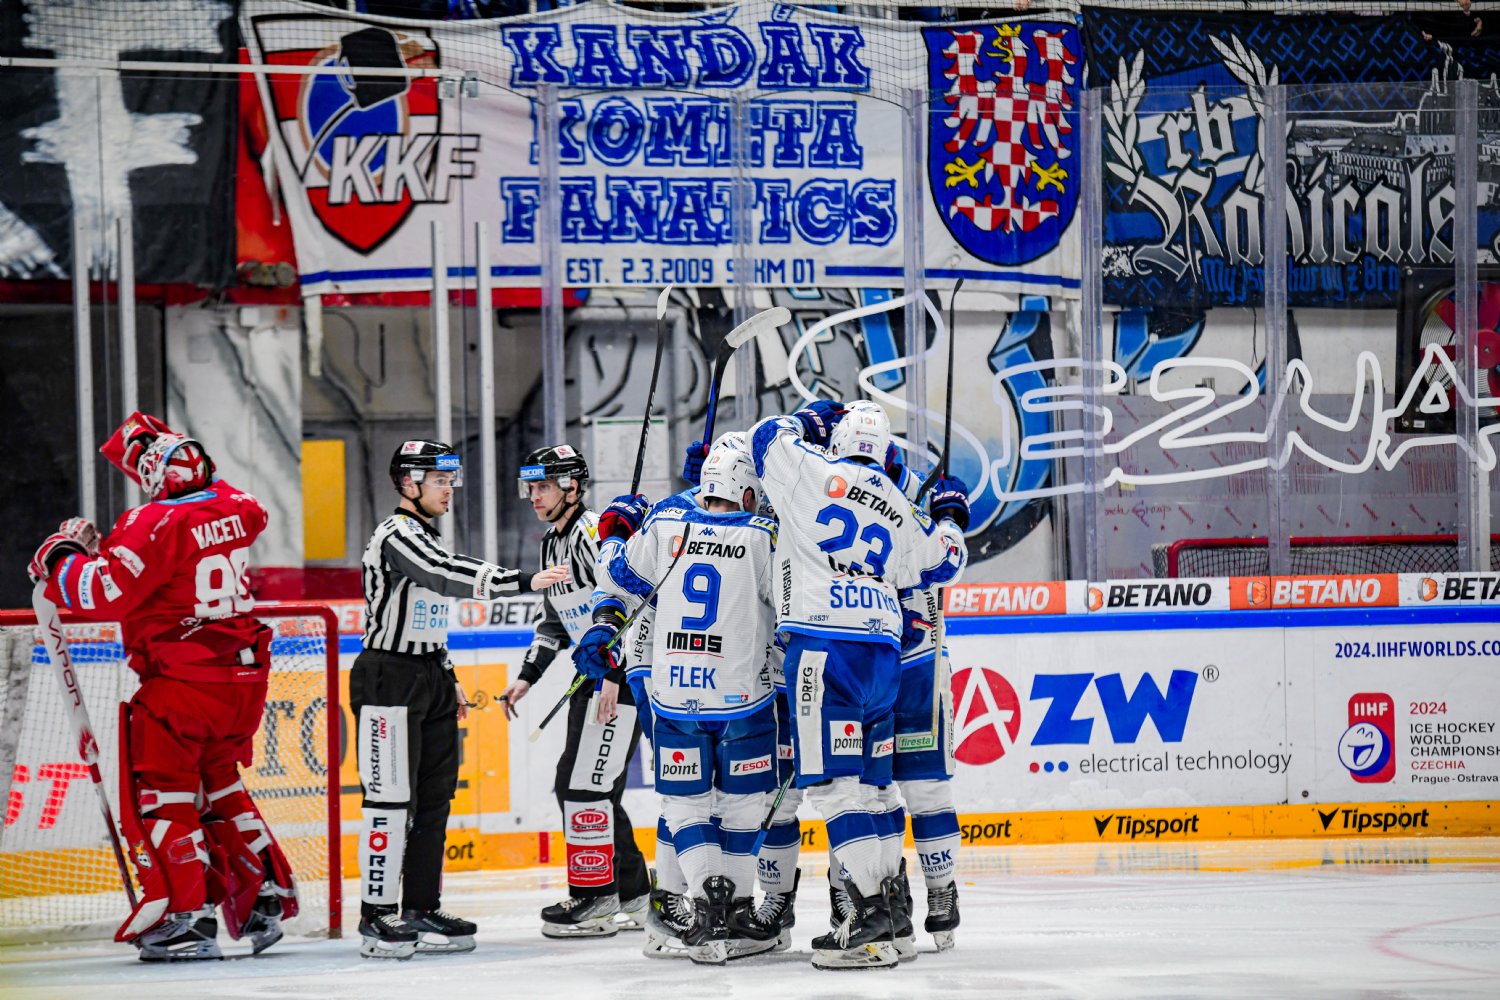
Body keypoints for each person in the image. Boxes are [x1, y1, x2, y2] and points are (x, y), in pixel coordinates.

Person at [27, 412, 295, 961]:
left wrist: (62, 555)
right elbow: (200, 504)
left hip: (184, 679)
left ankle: (186, 919)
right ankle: (261, 895)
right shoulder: (240, 506)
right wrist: (162, 450)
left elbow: (104, 594)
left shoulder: (151, 523)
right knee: (220, 782)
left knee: (164, 792)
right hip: (243, 678)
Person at [748, 398, 969, 970]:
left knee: (833, 791)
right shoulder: (898, 503)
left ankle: (868, 920)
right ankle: (893, 917)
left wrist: (811, 417)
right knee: (875, 792)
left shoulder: (813, 471)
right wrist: (949, 518)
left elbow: (767, 436)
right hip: (882, 657)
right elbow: (942, 564)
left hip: (825, 651)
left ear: (837, 443)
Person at [354, 440, 568, 960]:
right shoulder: (396, 534)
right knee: (388, 802)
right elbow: (441, 575)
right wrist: (521, 579)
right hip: (388, 677)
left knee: (434, 801)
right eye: (439, 481)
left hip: (426, 674)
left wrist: (445, 670)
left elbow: (428, 608)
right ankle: (376, 915)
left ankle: (421, 907)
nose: (449, 489)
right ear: (409, 484)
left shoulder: (423, 533)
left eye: (452, 480)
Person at [579, 438, 781, 965]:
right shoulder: (764, 534)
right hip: (743, 697)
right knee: (741, 806)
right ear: (747, 489)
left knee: (685, 806)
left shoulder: (666, 521)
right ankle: (732, 910)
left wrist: (613, 535)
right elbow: (785, 615)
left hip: (672, 692)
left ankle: (697, 908)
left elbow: (622, 579)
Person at [498, 445, 651, 937]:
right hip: (590, 676)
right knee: (590, 787)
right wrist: (527, 676)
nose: (533, 496)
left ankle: (596, 898)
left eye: (543, 486)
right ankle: (634, 895)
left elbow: (626, 602)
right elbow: (554, 621)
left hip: (616, 677)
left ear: (571, 487)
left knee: (583, 787)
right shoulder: (550, 542)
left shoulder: (590, 535)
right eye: (531, 487)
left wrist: (612, 673)